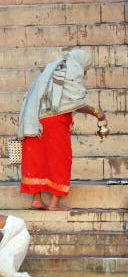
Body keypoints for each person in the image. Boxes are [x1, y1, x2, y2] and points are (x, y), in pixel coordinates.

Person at [17, 49, 105, 211]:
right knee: (60, 159)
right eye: (87, 69)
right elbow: (75, 103)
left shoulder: (53, 68)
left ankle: (37, 199)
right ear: (82, 63)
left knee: (38, 159)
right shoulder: (72, 70)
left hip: (35, 120)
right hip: (55, 122)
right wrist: (96, 112)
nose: (85, 72)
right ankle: (54, 203)